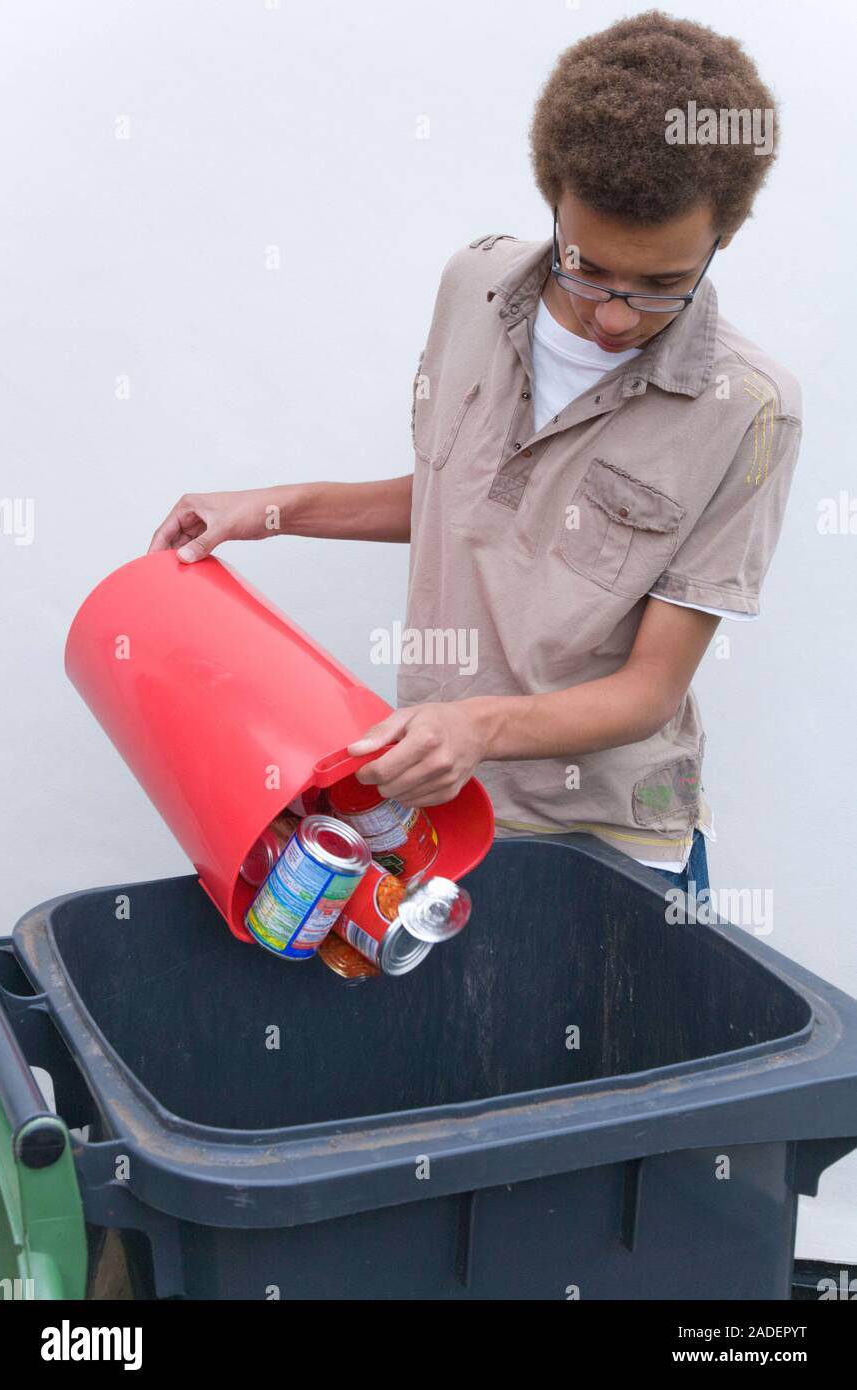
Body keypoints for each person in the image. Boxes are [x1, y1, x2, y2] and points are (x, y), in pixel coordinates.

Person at [149, 11, 802, 901]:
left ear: (723, 235)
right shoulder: (471, 285)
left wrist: (477, 726)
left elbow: (652, 690)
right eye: (588, 269)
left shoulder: (751, 409)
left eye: (660, 286)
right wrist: (273, 511)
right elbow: (468, 502)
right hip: (437, 818)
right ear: (553, 203)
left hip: (610, 845)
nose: (614, 317)